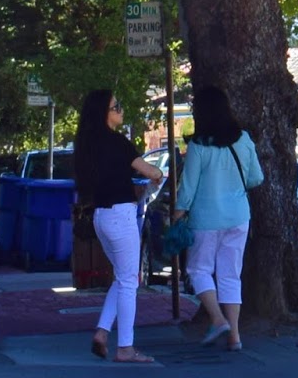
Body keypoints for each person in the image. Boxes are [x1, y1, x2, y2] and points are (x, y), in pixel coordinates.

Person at [75, 89, 163, 364]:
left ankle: (102, 331)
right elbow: (150, 171)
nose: (121, 110)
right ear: (105, 112)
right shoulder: (118, 143)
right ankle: (125, 347)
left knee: (122, 276)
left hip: (101, 217)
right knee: (129, 282)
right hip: (121, 217)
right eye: (117, 106)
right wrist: (159, 174)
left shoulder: (87, 145)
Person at [173, 85, 264, 351]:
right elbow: (256, 177)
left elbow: (188, 186)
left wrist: (178, 213)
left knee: (198, 269)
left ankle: (217, 318)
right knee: (230, 275)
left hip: (205, 217)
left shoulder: (199, 145)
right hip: (238, 216)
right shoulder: (244, 139)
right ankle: (235, 335)